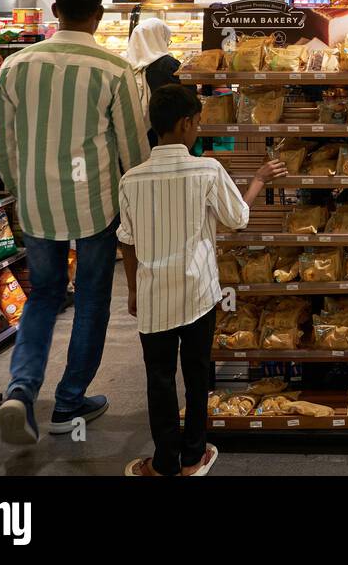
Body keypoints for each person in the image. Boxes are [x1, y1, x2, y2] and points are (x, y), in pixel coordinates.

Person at [0, 0, 151, 445]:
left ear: (55, 10)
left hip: (38, 204)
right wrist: (136, 210)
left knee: (43, 295)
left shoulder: (15, 66)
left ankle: (20, 389)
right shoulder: (113, 69)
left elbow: (4, 146)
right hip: (95, 204)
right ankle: (69, 401)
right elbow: (134, 151)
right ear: (99, 14)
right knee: (91, 299)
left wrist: (19, 193)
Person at [118, 85, 287, 476]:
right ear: (184, 123)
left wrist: (131, 288)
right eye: (196, 122)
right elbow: (238, 218)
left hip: (153, 295)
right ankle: (194, 456)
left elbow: (127, 241)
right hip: (198, 292)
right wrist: (260, 178)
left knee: (158, 379)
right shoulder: (207, 169)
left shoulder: (132, 179)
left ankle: (163, 463)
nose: (198, 129)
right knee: (197, 375)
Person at [125, 17, 180, 142]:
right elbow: (186, 94)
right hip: (167, 133)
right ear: (159, 39)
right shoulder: (168, 64)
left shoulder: (125, 64)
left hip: (136, 133)